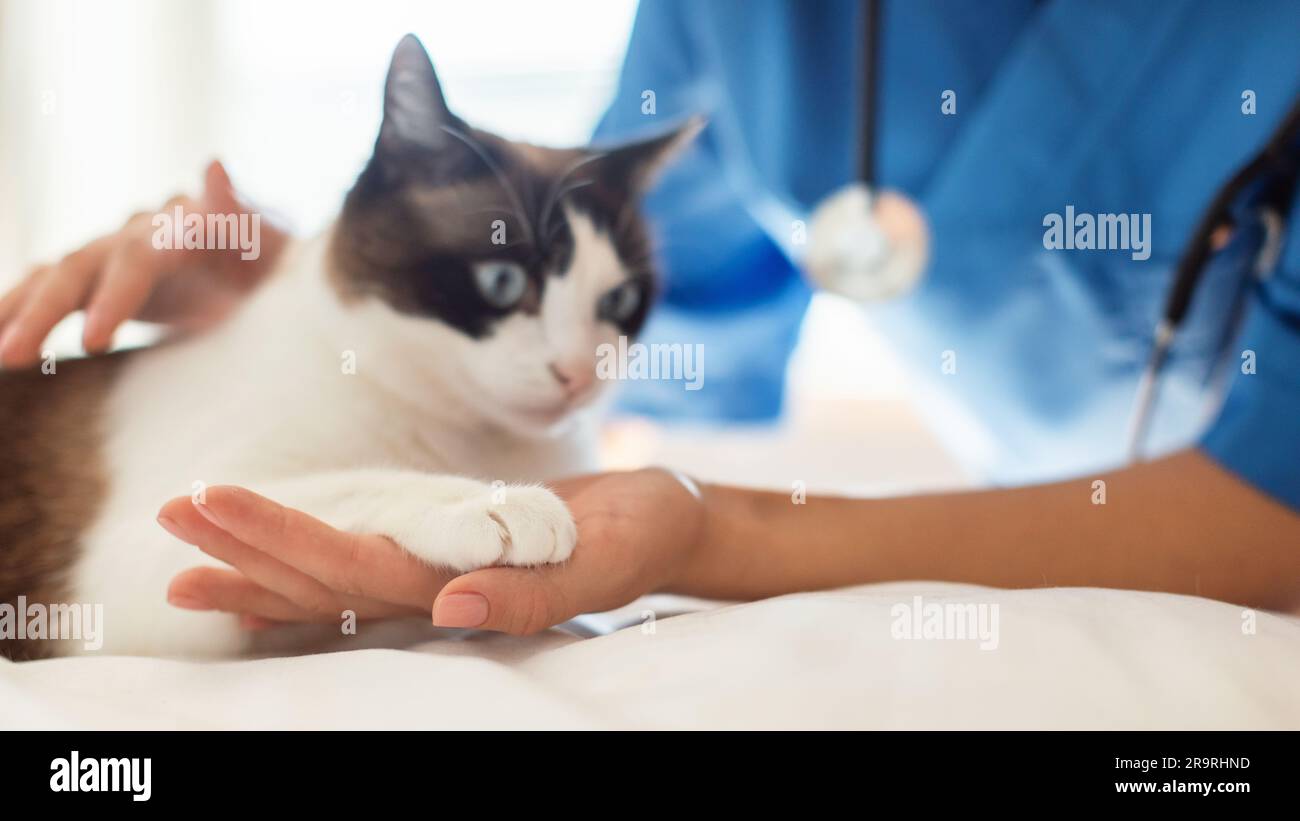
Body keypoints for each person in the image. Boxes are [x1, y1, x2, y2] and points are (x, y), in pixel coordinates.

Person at [2, 1, 1297, 635]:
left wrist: (704, 524)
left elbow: (1275, 511)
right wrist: (303, 285)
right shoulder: (745, 21)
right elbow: (573, 304)